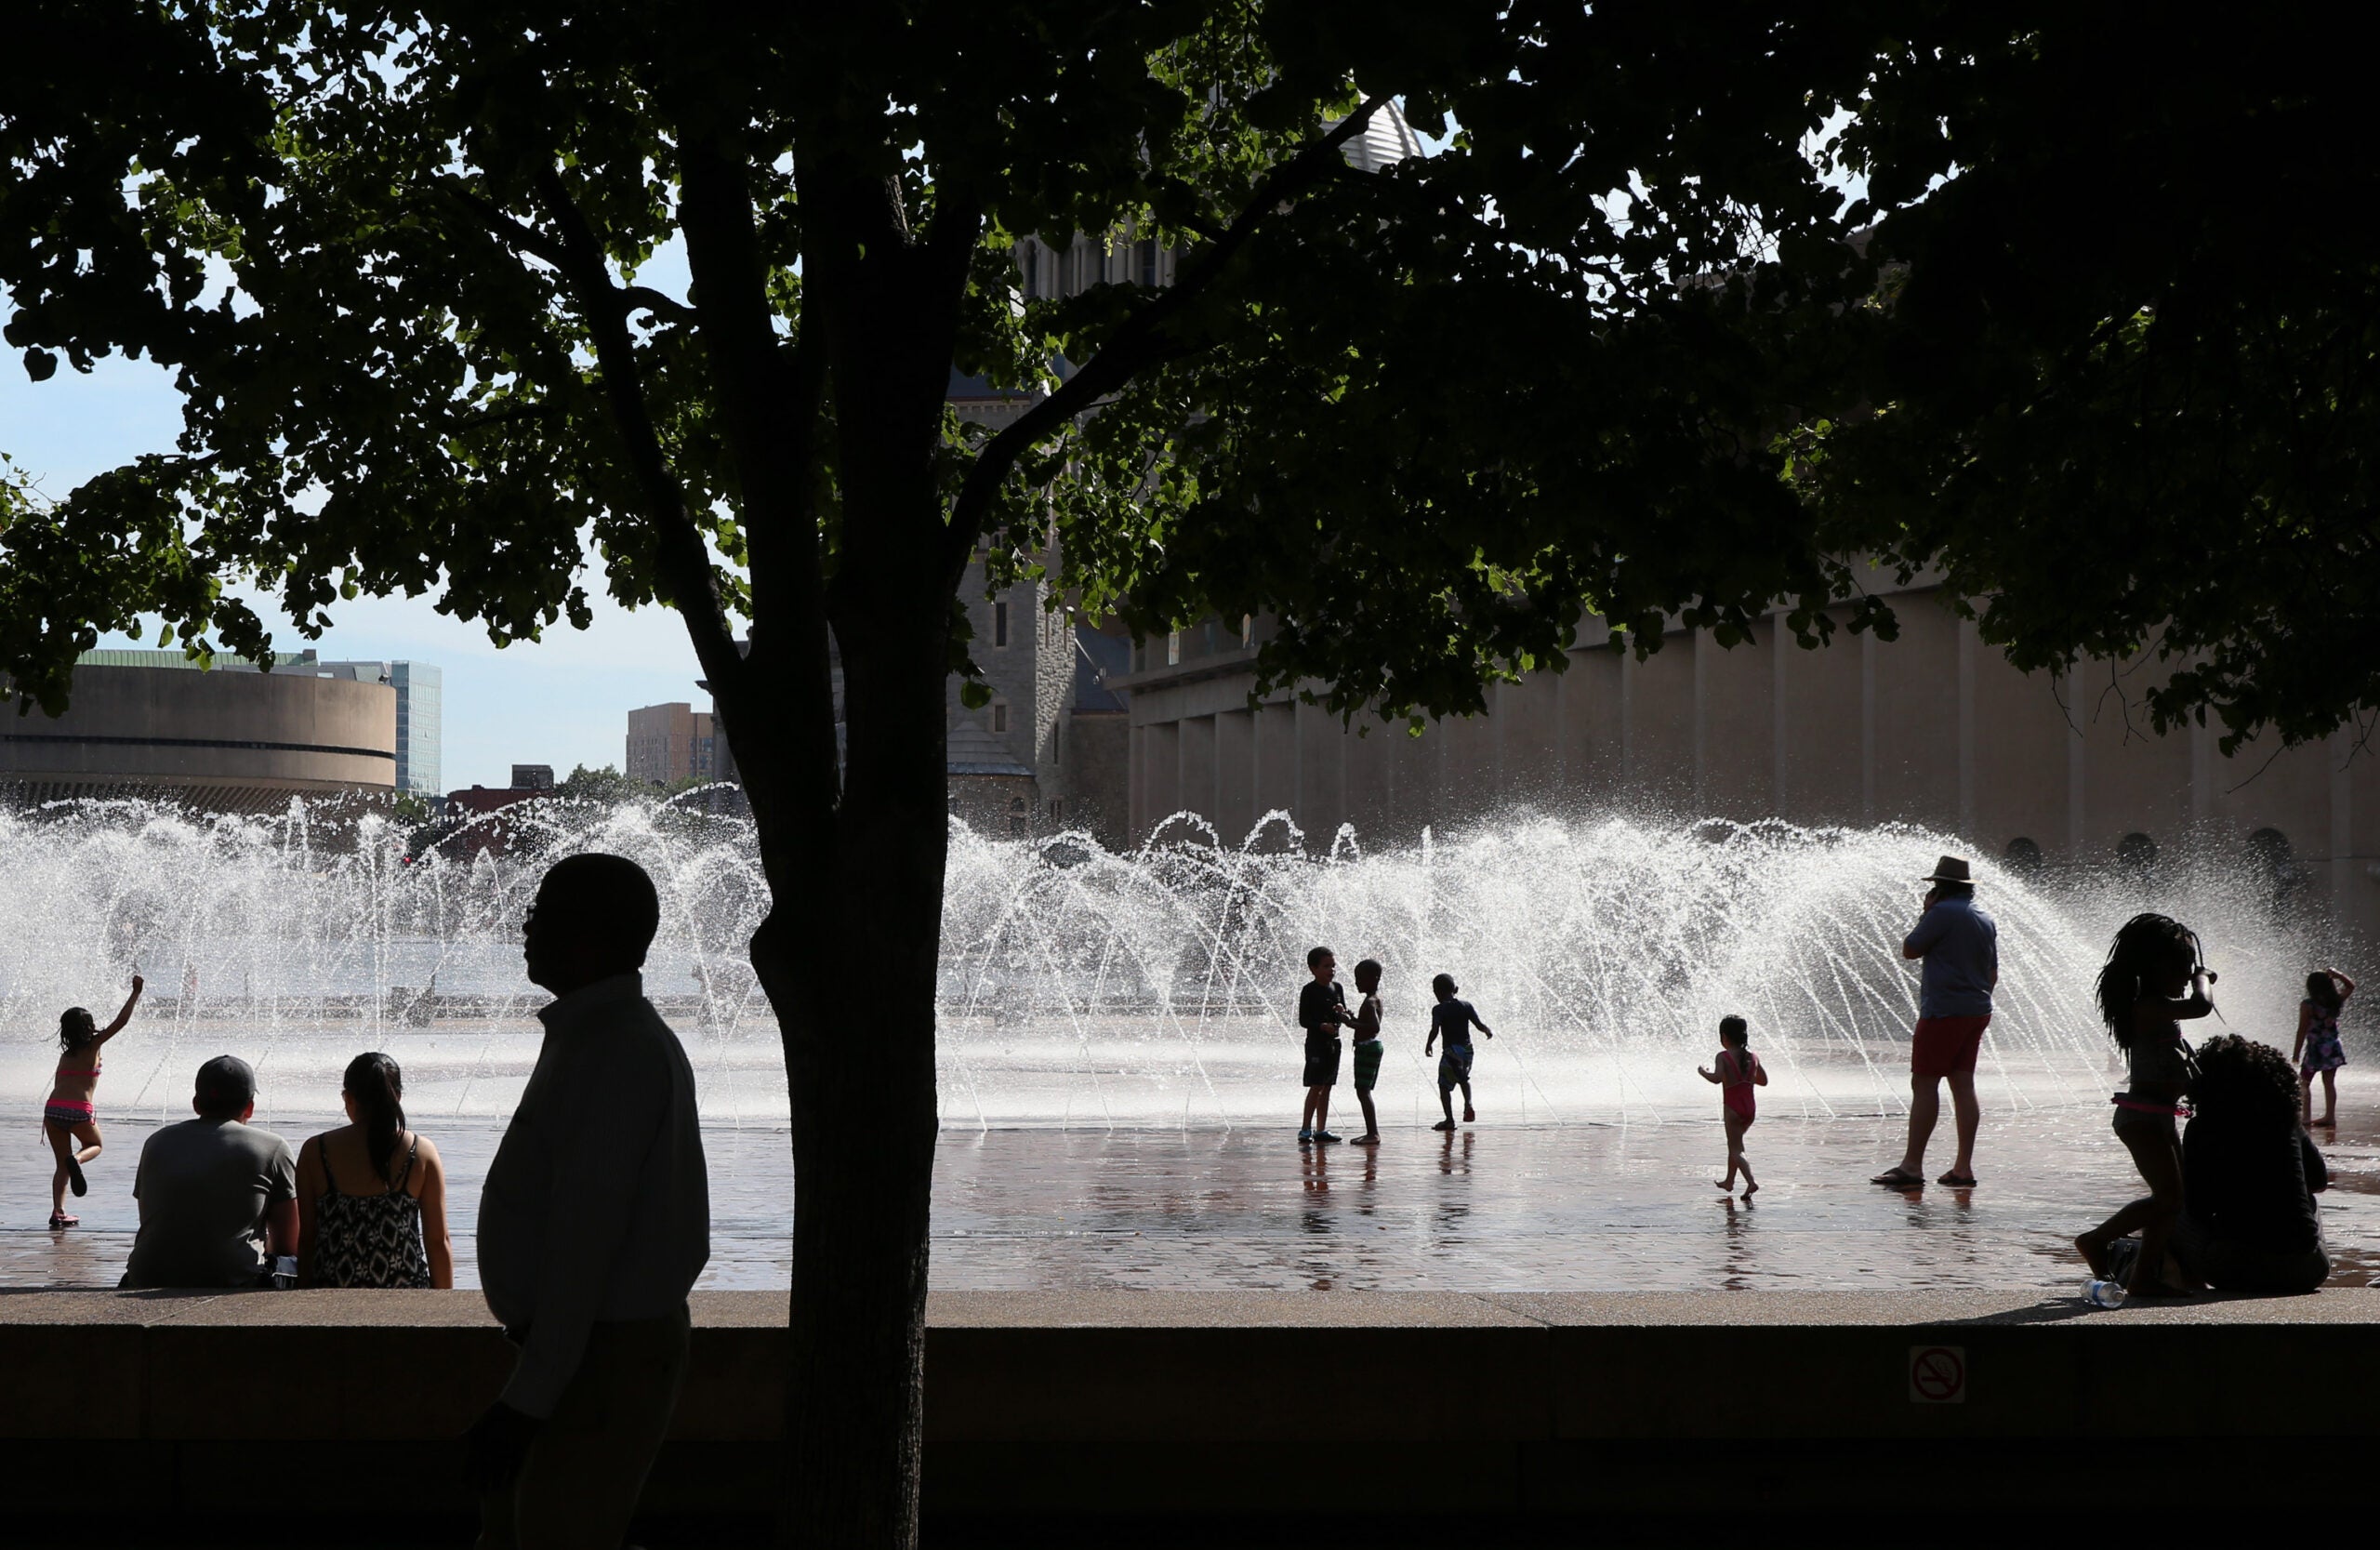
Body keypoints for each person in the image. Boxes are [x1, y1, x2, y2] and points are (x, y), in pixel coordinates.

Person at [466, 853, 710, 1550]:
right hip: (582, 1352)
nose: (525, 926)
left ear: (589, 936)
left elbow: (585, 1243)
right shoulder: (600, 1037)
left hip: (600, 1361)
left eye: (541, 912)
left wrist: (526, 1400)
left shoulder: (616, 1051)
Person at [2075, 913, 2215, 1297]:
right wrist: (2204, 978)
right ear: (2155, 967)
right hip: (2140, 1118)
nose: (2187, 975)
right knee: (2167, 1197)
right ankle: (2096, 1239)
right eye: (2182, 967)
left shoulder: (2160, 1006)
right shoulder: (2147, 1007)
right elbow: (2201, 1006)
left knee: (2173, 1201)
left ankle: (2143, 1277)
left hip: (2160, 1116)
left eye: (2191, 967)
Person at [2163, 1035, 2330, 1293]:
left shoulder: (2202, 1127)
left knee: (2170, 1206)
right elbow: (2319, 1181)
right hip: (2307, 1271)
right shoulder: (2284, 1121)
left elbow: (2198, 1208)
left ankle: (2179, 1282)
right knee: (2308, 1198)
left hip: (2233, 1268)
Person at [1871, 855, 1998, 1189]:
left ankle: (1912, 1166)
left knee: (1925, 1083)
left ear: (1939, 888)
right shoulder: (1984, 917)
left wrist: (1926, 912)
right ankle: (1963, 1167)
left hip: (1944, 1011)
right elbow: (1992, 973)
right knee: (1963, 1084)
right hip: (1977, 1010)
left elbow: (1910, 949)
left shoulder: (1942, 913)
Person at [120, 1055, 298, 1289]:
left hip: (146, 1275)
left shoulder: (157, 1142)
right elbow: (287, 1244)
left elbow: (153, 1221)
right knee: (296, 1264)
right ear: (250, 1108)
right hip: (234, 1278)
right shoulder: (273, 1147)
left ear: (196, 1103)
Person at [296, 1052, 454, 1289]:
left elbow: (308, 1240)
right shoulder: (420, 1152)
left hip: (333, 1293)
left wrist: (303, 1298)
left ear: (348, 1098)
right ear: (397, 1097)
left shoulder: (315, 1152)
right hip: (405, 1294)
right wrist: (445, 1305)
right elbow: (438, 1242)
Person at [42, 974, 142, 1229]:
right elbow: (121, 1022)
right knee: (95, 1144)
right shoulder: (94, 1046)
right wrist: (135, 993)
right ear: (89, 1027)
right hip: (79, 1110)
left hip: (53, 1110)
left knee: (60, 1164)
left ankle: (58, 1212)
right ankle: (77, 1160)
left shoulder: (65, 1055)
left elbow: (59, 1084)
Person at [1698, 1014, 1766, 1199]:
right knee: (1735, 1145)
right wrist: (1746, 1077)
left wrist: (1703, 1072)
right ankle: (1729, 1181)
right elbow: (1763, 1081)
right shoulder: (1753, 1057)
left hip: (1732, 1108)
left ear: (1724, 1037)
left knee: (1737, 1149)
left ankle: (1751, 1182)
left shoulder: (1723, 1056)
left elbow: (1716, 1079)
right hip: (1750, 1108)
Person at [1423, 974, 1494, 1132]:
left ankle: (1449, 1120)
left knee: (1443, 1086)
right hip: (1467, 1050)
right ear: (1456, 989)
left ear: (1436, 992)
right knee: (1463, 1078)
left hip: (1451, 1051)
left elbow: (1435, 1029)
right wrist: (1487, 1030)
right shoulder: (1466, 1005)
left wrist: (1428, 1044)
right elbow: (1478, 1024)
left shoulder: (1439, 1009)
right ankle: (1468, 1104)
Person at [1297, 946, 1352, 1146]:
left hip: (1334, 1043)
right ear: (1313, 969)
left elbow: (1345, 1015)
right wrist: (1321, 1026)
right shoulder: (1309, 990)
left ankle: (1320, 1130)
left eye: (1333, 966)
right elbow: (1303, 1020)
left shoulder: (1337, 988)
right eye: (1326, 966)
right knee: (1316, 1086)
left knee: (1327, 1086)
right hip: (1316, 1043)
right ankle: (1305, 1128)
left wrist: (1343, 1012)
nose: (1332, 970)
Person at [2293, 968, 2354, 1128]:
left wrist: (2296, 1053)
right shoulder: (2335, 1001)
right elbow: (2350, 986)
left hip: (2315, 1049)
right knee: (2329, 1082)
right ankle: (2330, 1116)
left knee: (2304, 1082)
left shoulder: (2308, 1005)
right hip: (2332, 1047)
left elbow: (2302, 1030)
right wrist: (2337, 974)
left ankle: (2306, 1117)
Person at [1347, 959, 1386, 1146]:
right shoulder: (1374, 999)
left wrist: (1349, 1023)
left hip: (1367, 1048)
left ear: (1375, 978)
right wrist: (1352, 1018)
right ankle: (1372, 1132)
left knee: (1363, 1091)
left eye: (1361, 978)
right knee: (1363, 1091)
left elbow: (1374, 1027)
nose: (1357, 982)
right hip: (1371, 1047)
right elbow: (1367, 1024)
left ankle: (1373, 1133)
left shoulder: (1370, 1002)